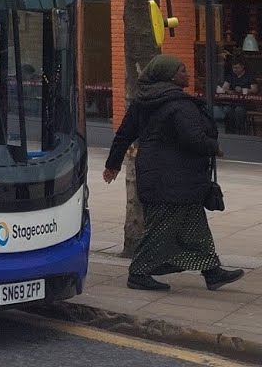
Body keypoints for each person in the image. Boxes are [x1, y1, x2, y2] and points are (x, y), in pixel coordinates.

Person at [102, 54, 245, 291]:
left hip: (161, 176)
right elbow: (194, 139)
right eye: (182, 71)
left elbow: (124, 134)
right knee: (161, 227)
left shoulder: (144, 101)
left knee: (194, 224)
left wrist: (113, 164)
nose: (187, 74)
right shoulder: (179, 105)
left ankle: (212, 271)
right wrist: (214, 148)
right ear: (169, 76)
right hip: (172, 179)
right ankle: (138, 273)